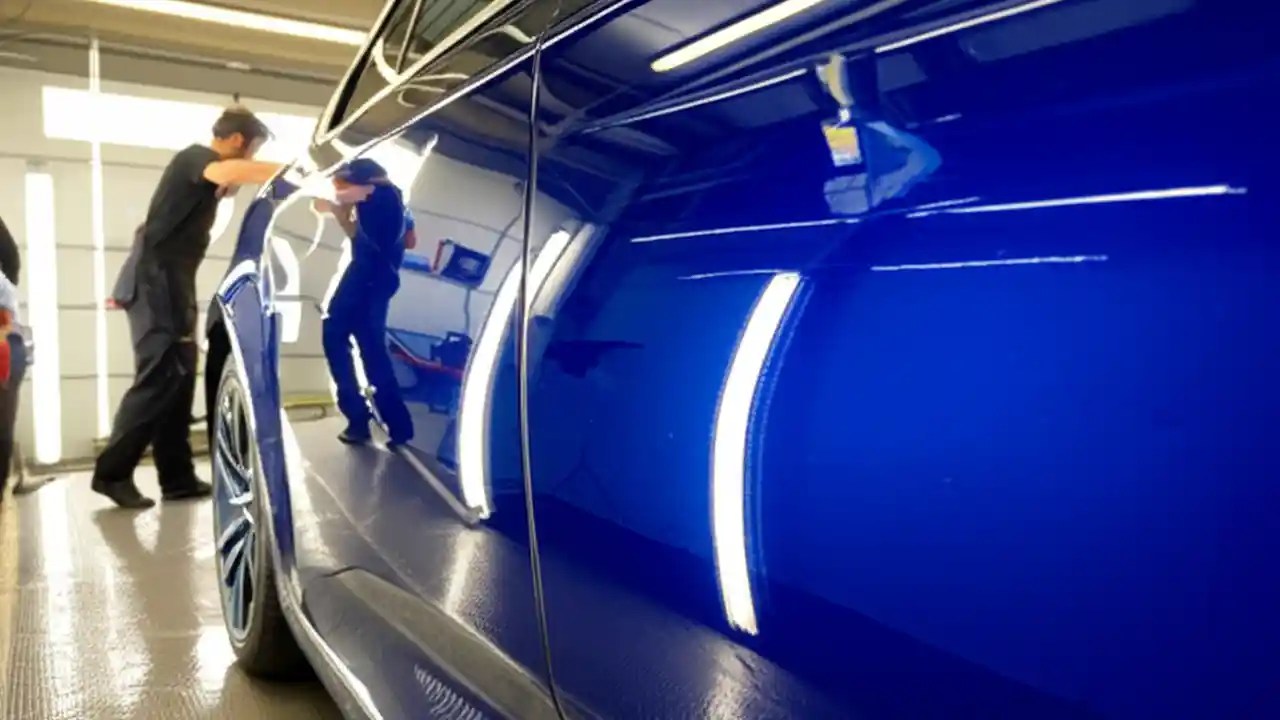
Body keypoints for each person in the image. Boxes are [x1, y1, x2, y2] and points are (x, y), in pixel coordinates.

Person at [93, 107, 284, 509]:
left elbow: (223, 184)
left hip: (172, 285)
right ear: (237, 141)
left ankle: (176, 478)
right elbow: (228, 174)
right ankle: (111, 474)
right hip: (156, 284)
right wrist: (290, 172)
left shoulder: (203, 176)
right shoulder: (196, 158)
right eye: (251, 151)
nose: (249, 160)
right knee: (158, 377)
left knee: (179, 379)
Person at [317, 158, 414, 446]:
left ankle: (358, 417)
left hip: (366, 273)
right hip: (382, 277)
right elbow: (409, 241)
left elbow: (326, 200)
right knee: (371, 346)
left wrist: (335, 197)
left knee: (334, 333)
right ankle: (398, 426)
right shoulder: (396, 200)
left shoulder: (376, 191)